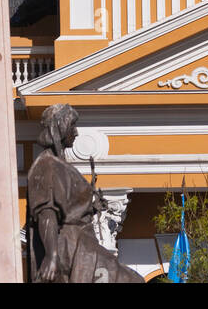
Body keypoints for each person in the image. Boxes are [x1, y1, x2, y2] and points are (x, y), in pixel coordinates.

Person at [28, 105, 144, 283]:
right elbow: (47, 213)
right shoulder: (47, 165)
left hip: (84, 242)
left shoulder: (60, 165)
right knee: (130, 280)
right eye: (72, 126)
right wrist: (51, 256)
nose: (75, 132)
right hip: (74, 246)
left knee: (133, 278)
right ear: (61, 127)